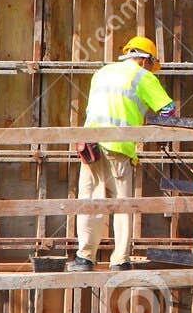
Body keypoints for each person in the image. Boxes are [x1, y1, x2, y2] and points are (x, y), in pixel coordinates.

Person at [68, 35, 176, 272]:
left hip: (90, 146)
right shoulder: (142, 76)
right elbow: (168, 110)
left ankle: (85, 258)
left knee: (90, 202)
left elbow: (90, 110)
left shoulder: (102, 72)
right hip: (119, 147)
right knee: (122, 205)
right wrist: (152, 125)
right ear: (146, 61)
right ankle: (119, 260)